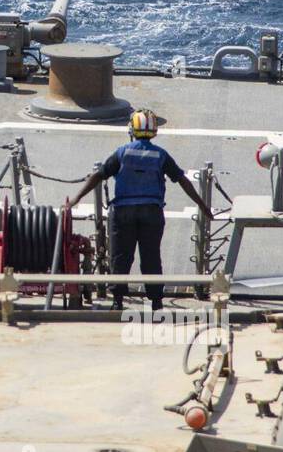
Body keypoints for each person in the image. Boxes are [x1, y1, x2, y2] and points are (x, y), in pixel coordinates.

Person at [68, 109, 210, 310]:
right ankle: (156, 301)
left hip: (123, 213)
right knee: (151, 256)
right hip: (151, 212)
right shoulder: (160, 155)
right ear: (154, 132)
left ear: (132, 130)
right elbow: (182, 180)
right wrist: (203, 206)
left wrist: (76, 198)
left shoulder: (123, 152)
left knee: (120, 257)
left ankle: (117, 301)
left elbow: (99, 175)